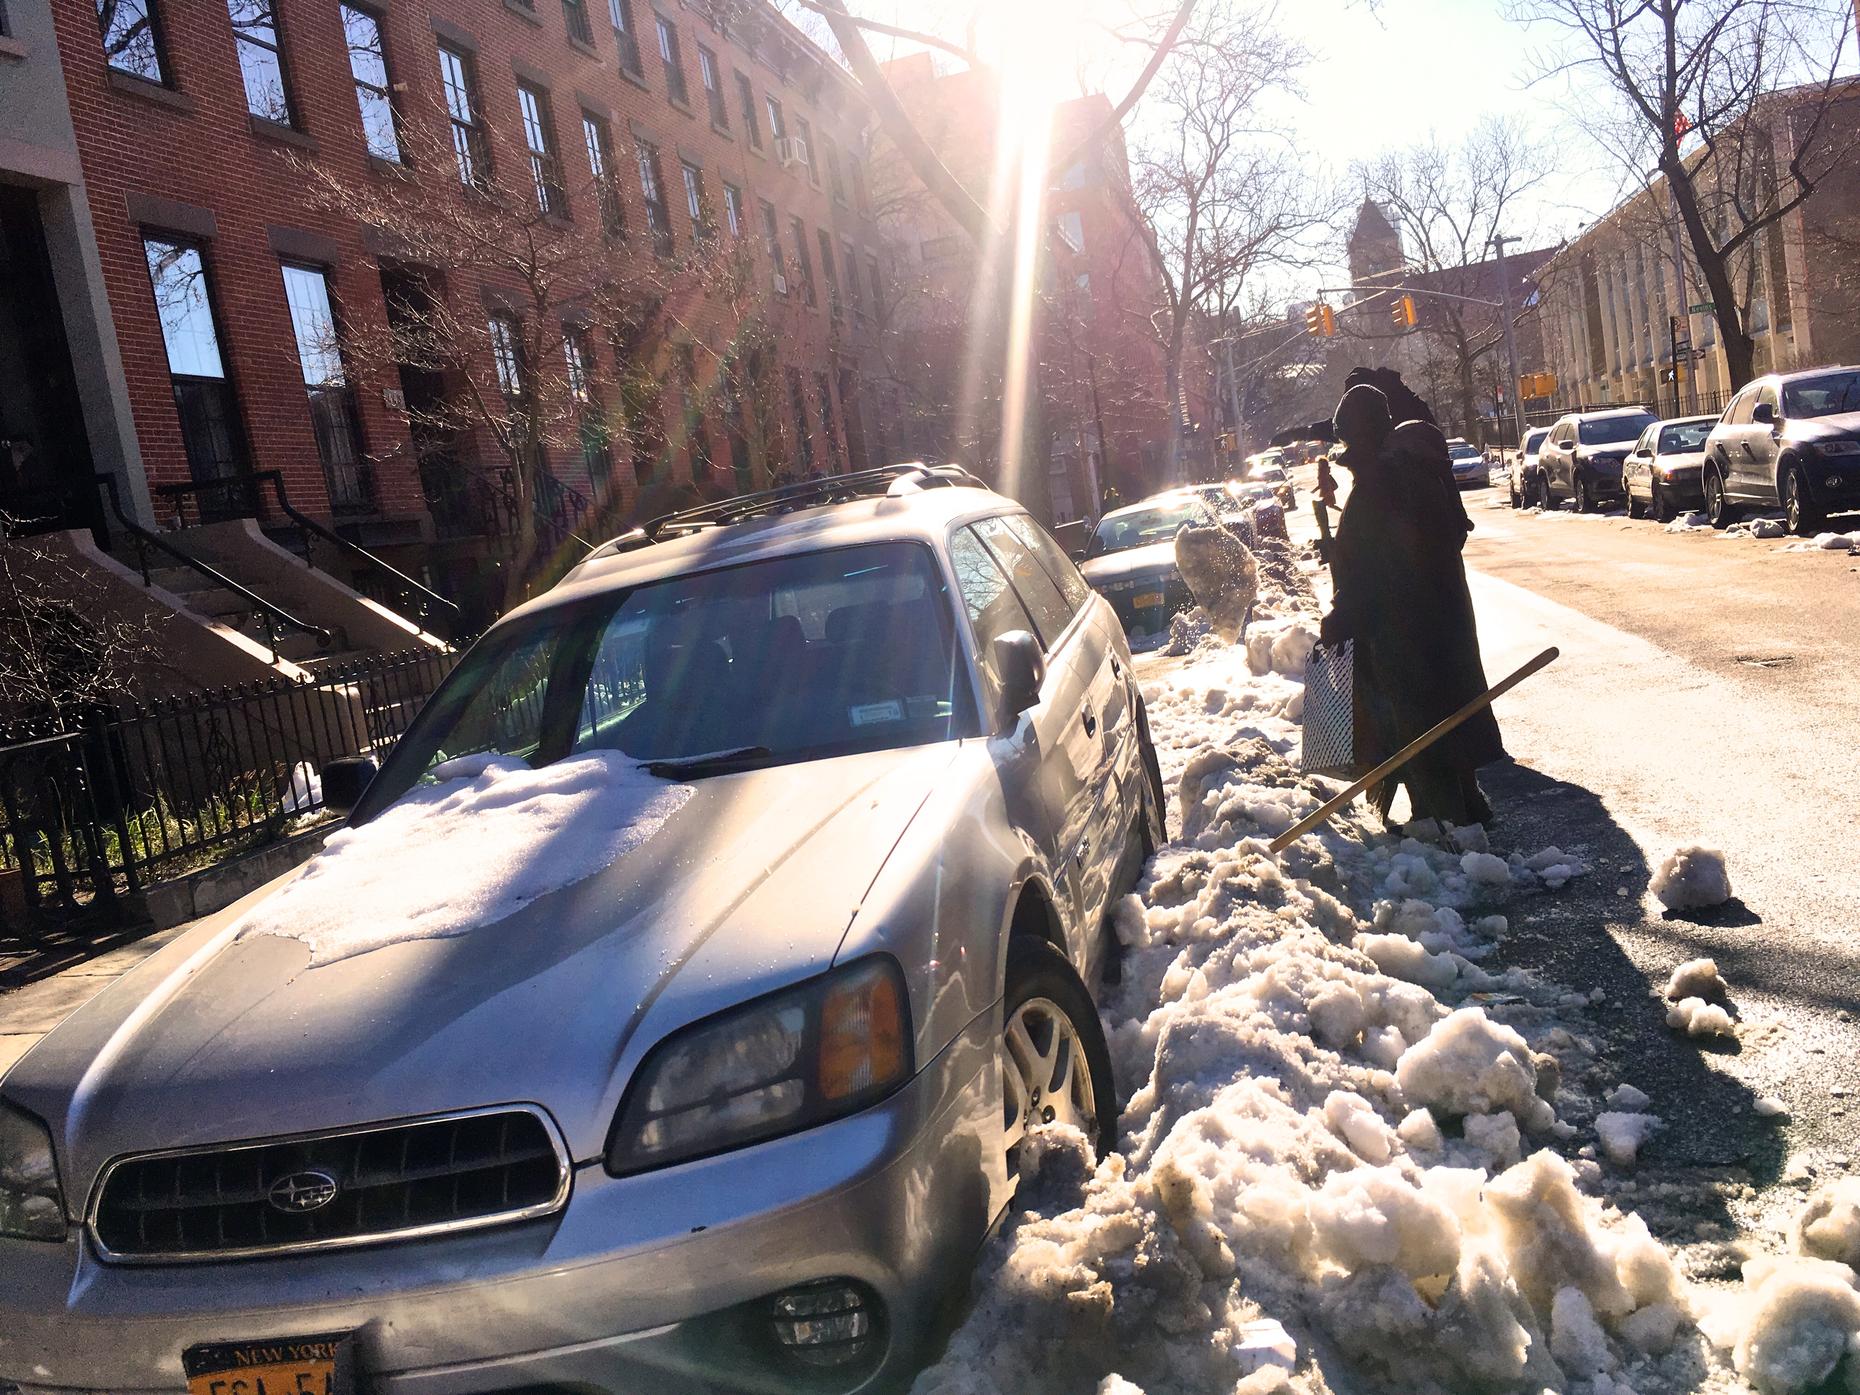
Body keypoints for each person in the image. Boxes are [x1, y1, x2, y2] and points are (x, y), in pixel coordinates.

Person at [1319, 383, 1505, 828]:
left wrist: (1341, 616)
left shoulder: (1380, 489)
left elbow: (1378, 570)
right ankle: (1465, 810)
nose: (1348, 461)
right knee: (1446, 719)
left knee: (1417, 728)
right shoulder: (1413, 477)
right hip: (1439, 624)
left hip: (1403, 633)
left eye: (1350, 447)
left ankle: (1442, 825)